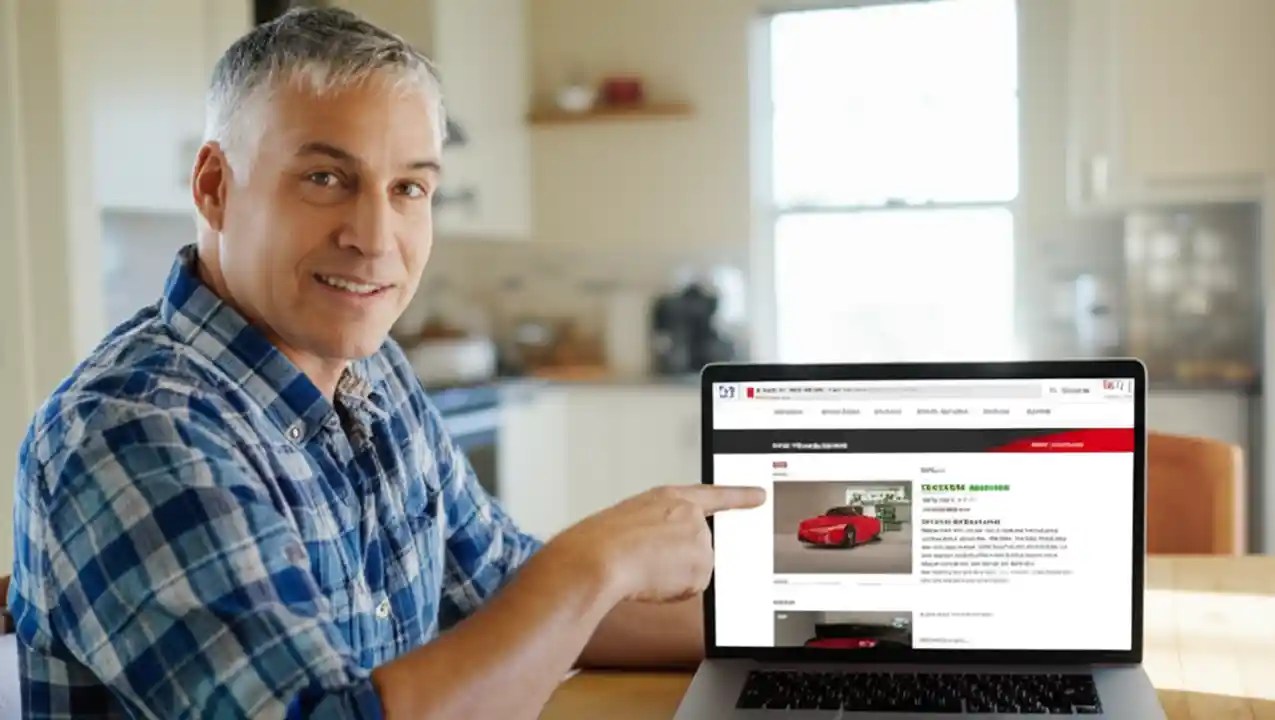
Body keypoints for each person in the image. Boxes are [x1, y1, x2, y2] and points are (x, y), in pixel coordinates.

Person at [7, 8, 764, 718]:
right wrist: (594, 563)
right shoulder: (132, 431)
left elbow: (505, 592)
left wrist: (821, 625)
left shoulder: (375, 376)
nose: (375, 237)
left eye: (409, 188)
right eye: (326, 179)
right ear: (214, 187)